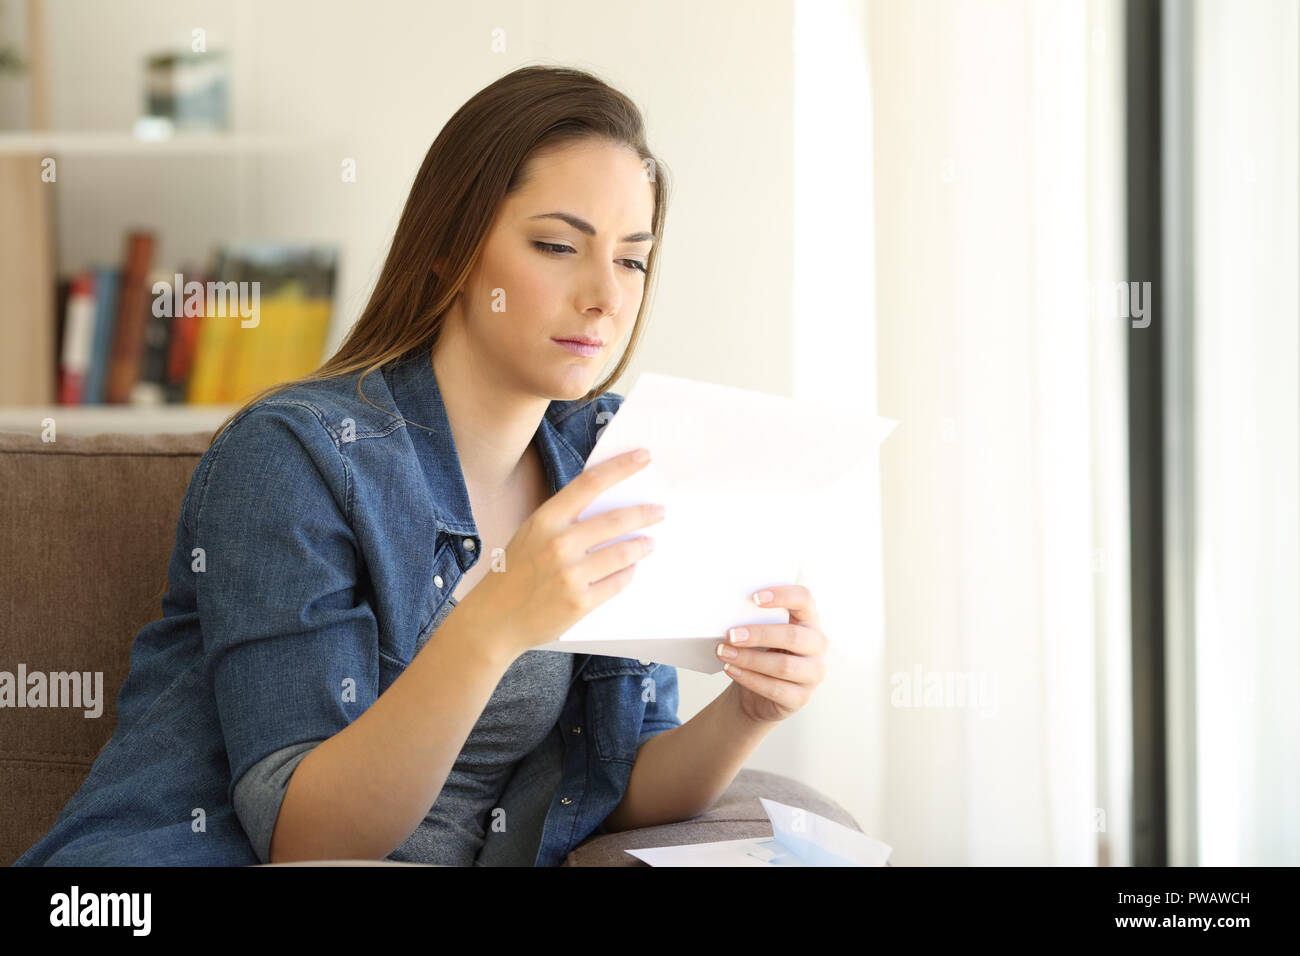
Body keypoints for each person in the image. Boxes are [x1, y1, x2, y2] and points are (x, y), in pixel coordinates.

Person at [14, 64, 829, 867]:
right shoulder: (295, 458)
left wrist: (748, 710)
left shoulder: (607, 456)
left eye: (632, 259)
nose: (606, 298)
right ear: (450, 251)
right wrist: (495, 623)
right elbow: (307, 841)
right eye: (556, 245)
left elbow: (619, 782)